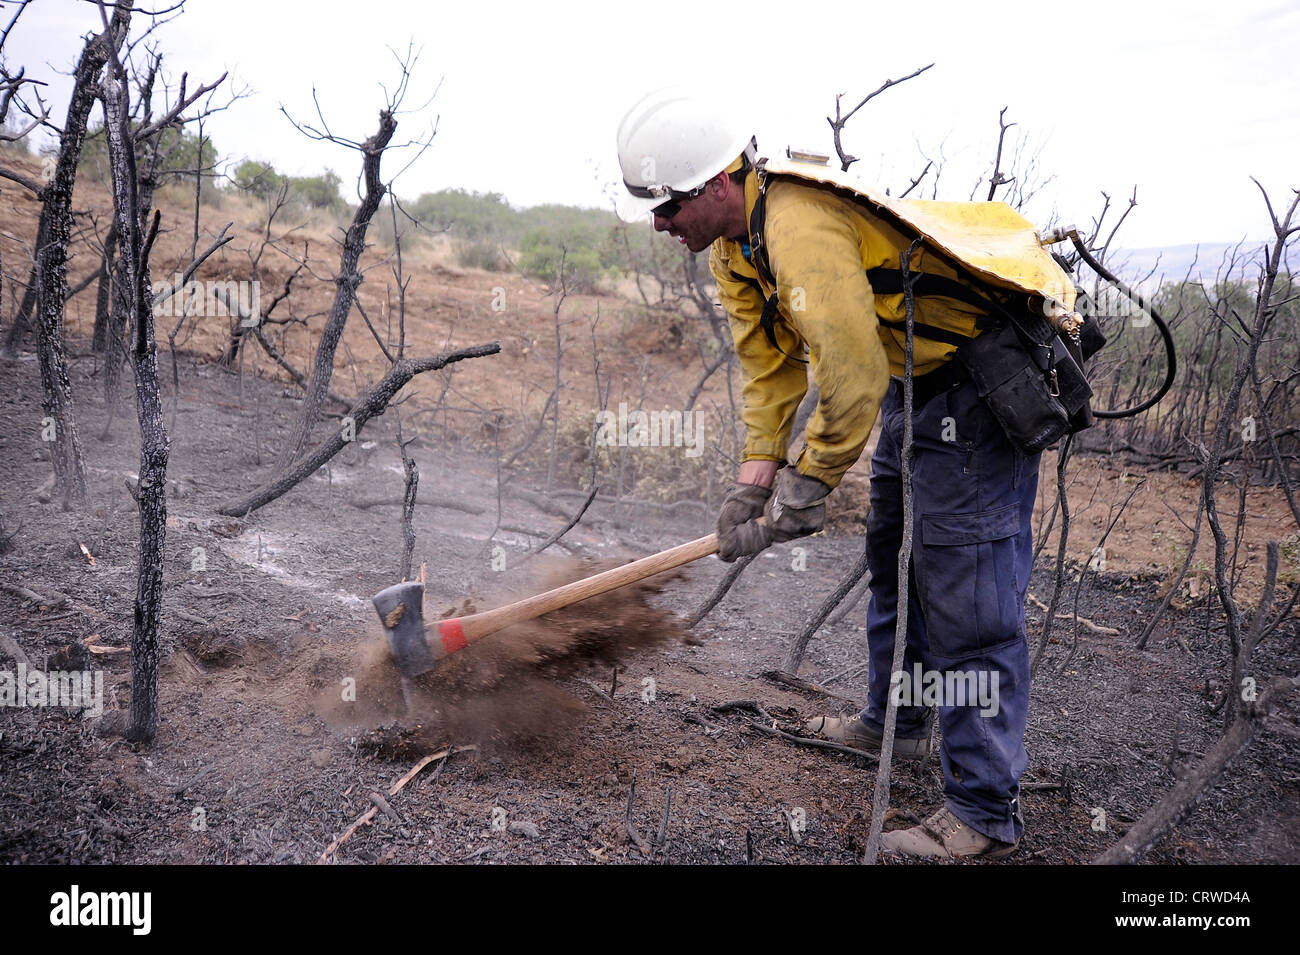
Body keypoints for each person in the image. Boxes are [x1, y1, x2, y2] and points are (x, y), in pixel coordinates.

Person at [615, 88, 1040, 859]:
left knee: (967, 592)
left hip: (980, 390)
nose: (658, 223)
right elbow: (770, 372)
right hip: (918, 386)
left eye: (668, 205)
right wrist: (753, 483)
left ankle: (982, 810)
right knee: (895, 562)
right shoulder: (734, 248)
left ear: (714, 186)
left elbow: (850, 380)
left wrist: (806, 488)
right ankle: (898, 724)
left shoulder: (797, 227)